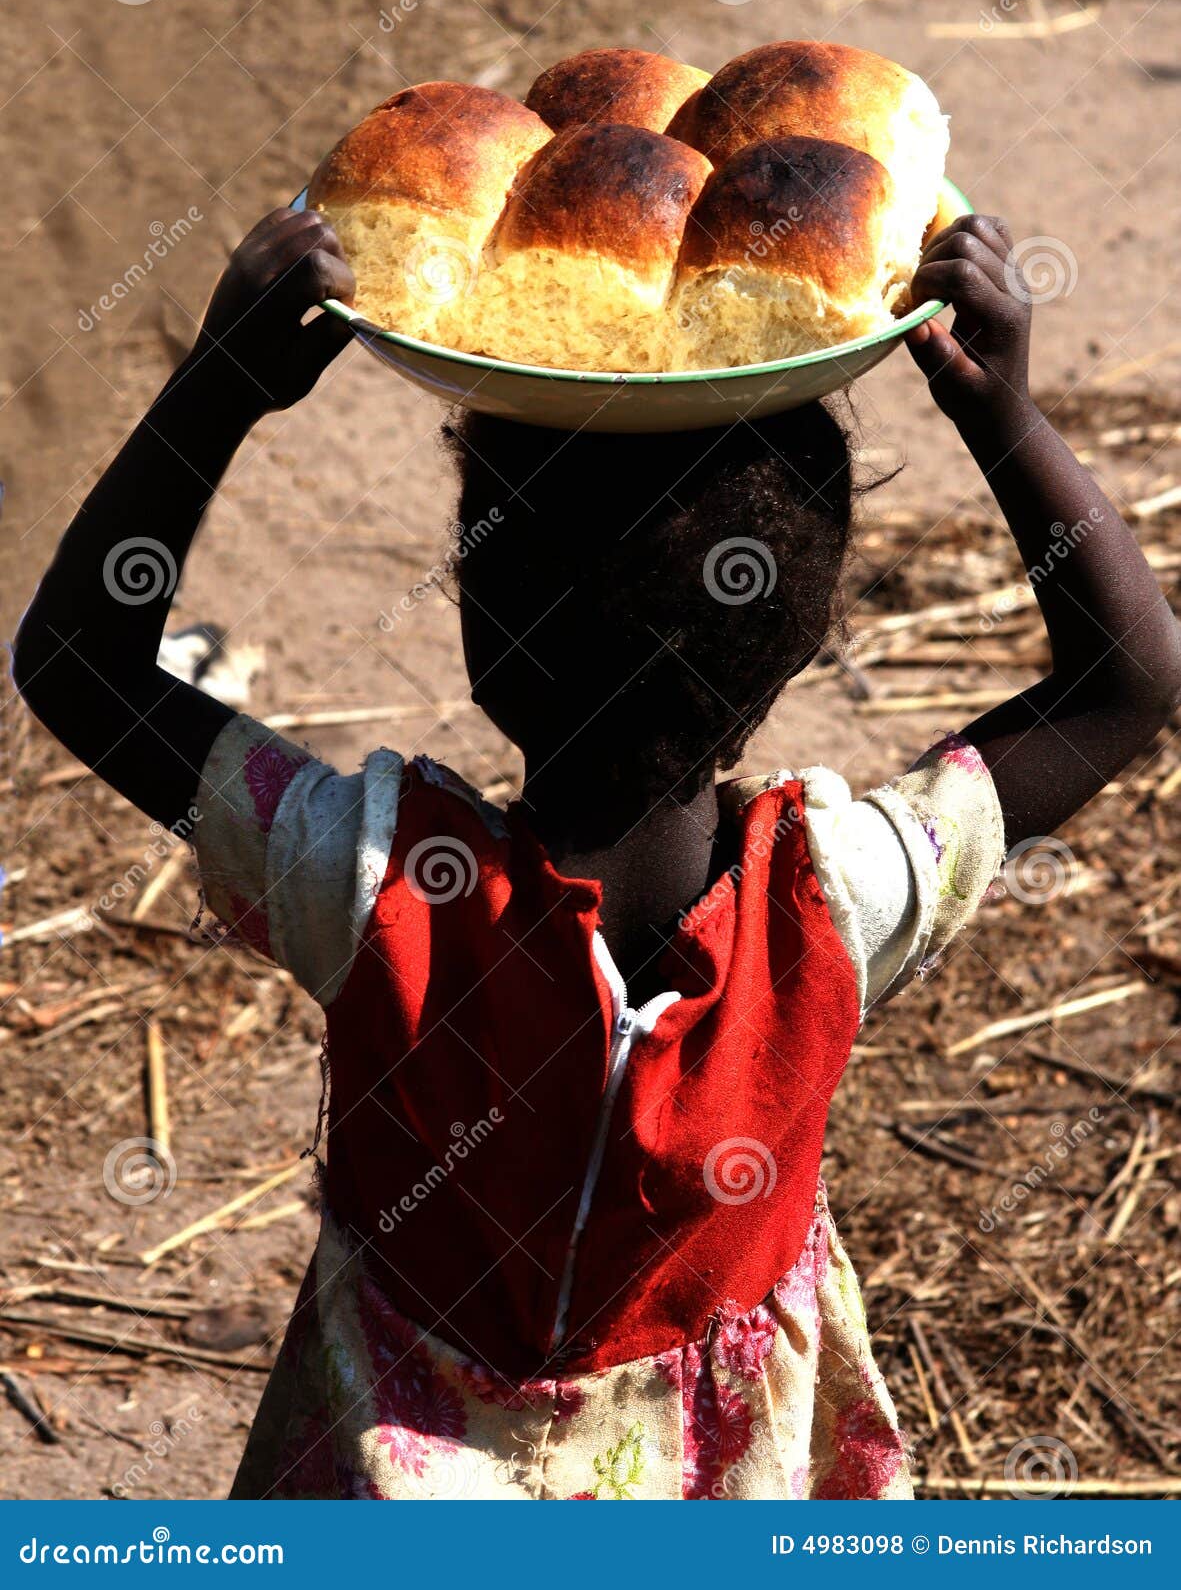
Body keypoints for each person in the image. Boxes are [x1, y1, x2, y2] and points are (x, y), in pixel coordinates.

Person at [13, 207, 1180, 1499]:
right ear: (787, 647)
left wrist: (219, 389)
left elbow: (78, 658)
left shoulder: (369, 885)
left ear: (476, 626)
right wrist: (996, 410)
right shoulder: (832, 903)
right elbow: (1122, 683)